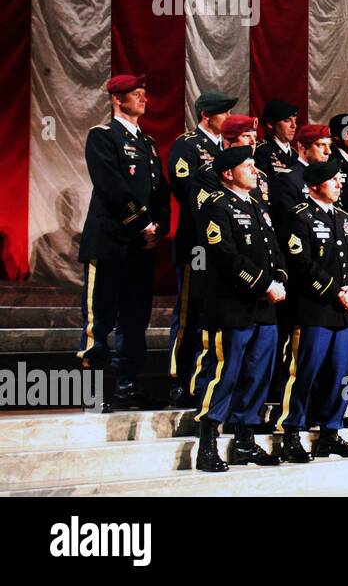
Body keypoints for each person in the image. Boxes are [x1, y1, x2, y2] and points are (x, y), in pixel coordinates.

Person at [77, 74, 171, 411]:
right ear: (118, 99)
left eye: (145, 93)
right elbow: (112, 186)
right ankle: (94, 391)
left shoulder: (147, 143)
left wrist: (158, 227)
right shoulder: (102, 137)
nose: (144, 99)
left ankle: (128, 385)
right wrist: (142, 223)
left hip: (140, 248)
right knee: (99, 318)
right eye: (137, 94)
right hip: (110, 242)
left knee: (135, 318)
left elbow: (160, 189)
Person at [191, 146, 287, 472]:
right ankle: (207, 444)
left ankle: (245, 440)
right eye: (247, 165)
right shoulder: (217, 207)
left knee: (257, 374)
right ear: (228, 174)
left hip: (265, 307)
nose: (255, 170)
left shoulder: (260, 208)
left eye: (254, 165)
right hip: (232, 306)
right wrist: (264, 285)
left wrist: (281, 279)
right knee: (224, 374)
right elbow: (226, 257)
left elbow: (276, 251)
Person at [276, 160, 348, 461]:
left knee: (341, 376)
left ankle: (331, 430)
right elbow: (301, 263)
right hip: (315, 309)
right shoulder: (299, 216)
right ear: (314, 186)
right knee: (305, 372)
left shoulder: (344, 217)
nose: (340, 184)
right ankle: (292, 431)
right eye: (333, 180)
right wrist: (334, 292)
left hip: (345, 311)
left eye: (340, 179)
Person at [165, 90, 237, 407]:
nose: (228, 118)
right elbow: (184, 187)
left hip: (222, 243)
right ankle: (177, 379)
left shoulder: (227, 148)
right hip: (196, 242)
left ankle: (203, 377)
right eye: (223, 112)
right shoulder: (188, 145)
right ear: (207, 115)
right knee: (189, 312)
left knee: (213, 314)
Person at [269, 123, 331, 229]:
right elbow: (289, 222)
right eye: (321, 145)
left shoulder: (330, 178)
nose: (328, 151)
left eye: (329, 145)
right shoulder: (287, 179)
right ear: (302, 146)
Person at [254, 99, 299, 176]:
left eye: (295, 120)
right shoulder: (261, 151)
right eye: (287, 120)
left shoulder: (294, 153)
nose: (294, 126)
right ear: (270, 124)